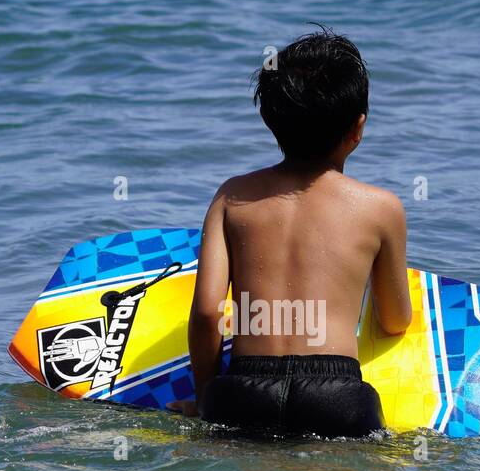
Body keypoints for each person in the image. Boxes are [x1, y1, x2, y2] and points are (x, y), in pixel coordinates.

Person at [170, 28, 411, 437]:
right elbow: (393, 321)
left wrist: (206, 400)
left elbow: (207, 314)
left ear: (270, 120)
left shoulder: (232, 197)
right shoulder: (381, 208)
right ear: (358, 128)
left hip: (242, 393)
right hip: (338, 399)